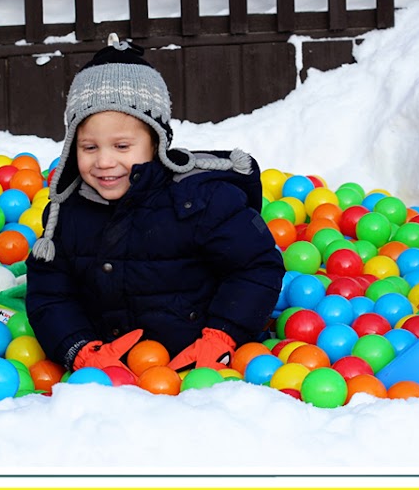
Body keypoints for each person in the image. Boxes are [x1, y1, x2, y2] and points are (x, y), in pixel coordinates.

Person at [25, 35, 285, 375]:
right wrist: (79, 349)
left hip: (200, 370)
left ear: (157, 142)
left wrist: (224, 335)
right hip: (111, 377)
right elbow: (50, 293)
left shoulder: (200, 199)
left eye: (121, 146)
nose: (104, 161)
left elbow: (256, 266)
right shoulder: (68, 212)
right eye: (89, 147)